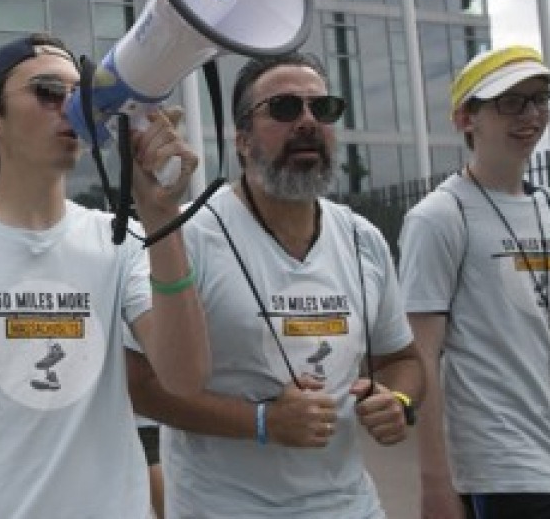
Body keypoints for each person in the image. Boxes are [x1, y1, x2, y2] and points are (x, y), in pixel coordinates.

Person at [0, 33, 209, 517]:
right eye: (50, 92)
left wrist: (160, 222)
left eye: (82, 94)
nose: (72, 108)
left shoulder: (124, 240)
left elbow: (185, 378)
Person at [127, 52, 424, 518]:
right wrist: (262, 422)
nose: (307, 122)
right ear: (242, 140)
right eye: (285, 109)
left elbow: (401, 359)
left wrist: (398, 399)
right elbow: (141, 384)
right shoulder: (190, 238)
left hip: (352, 506)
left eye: (322, 109)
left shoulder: (361, 238)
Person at [399, 45, 550, 518]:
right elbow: (420, 356)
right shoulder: (440, 217)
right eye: (510, 102)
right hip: (500, 469)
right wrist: (434, 485)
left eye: (540, 99)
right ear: (466, 119)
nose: (530, 115)